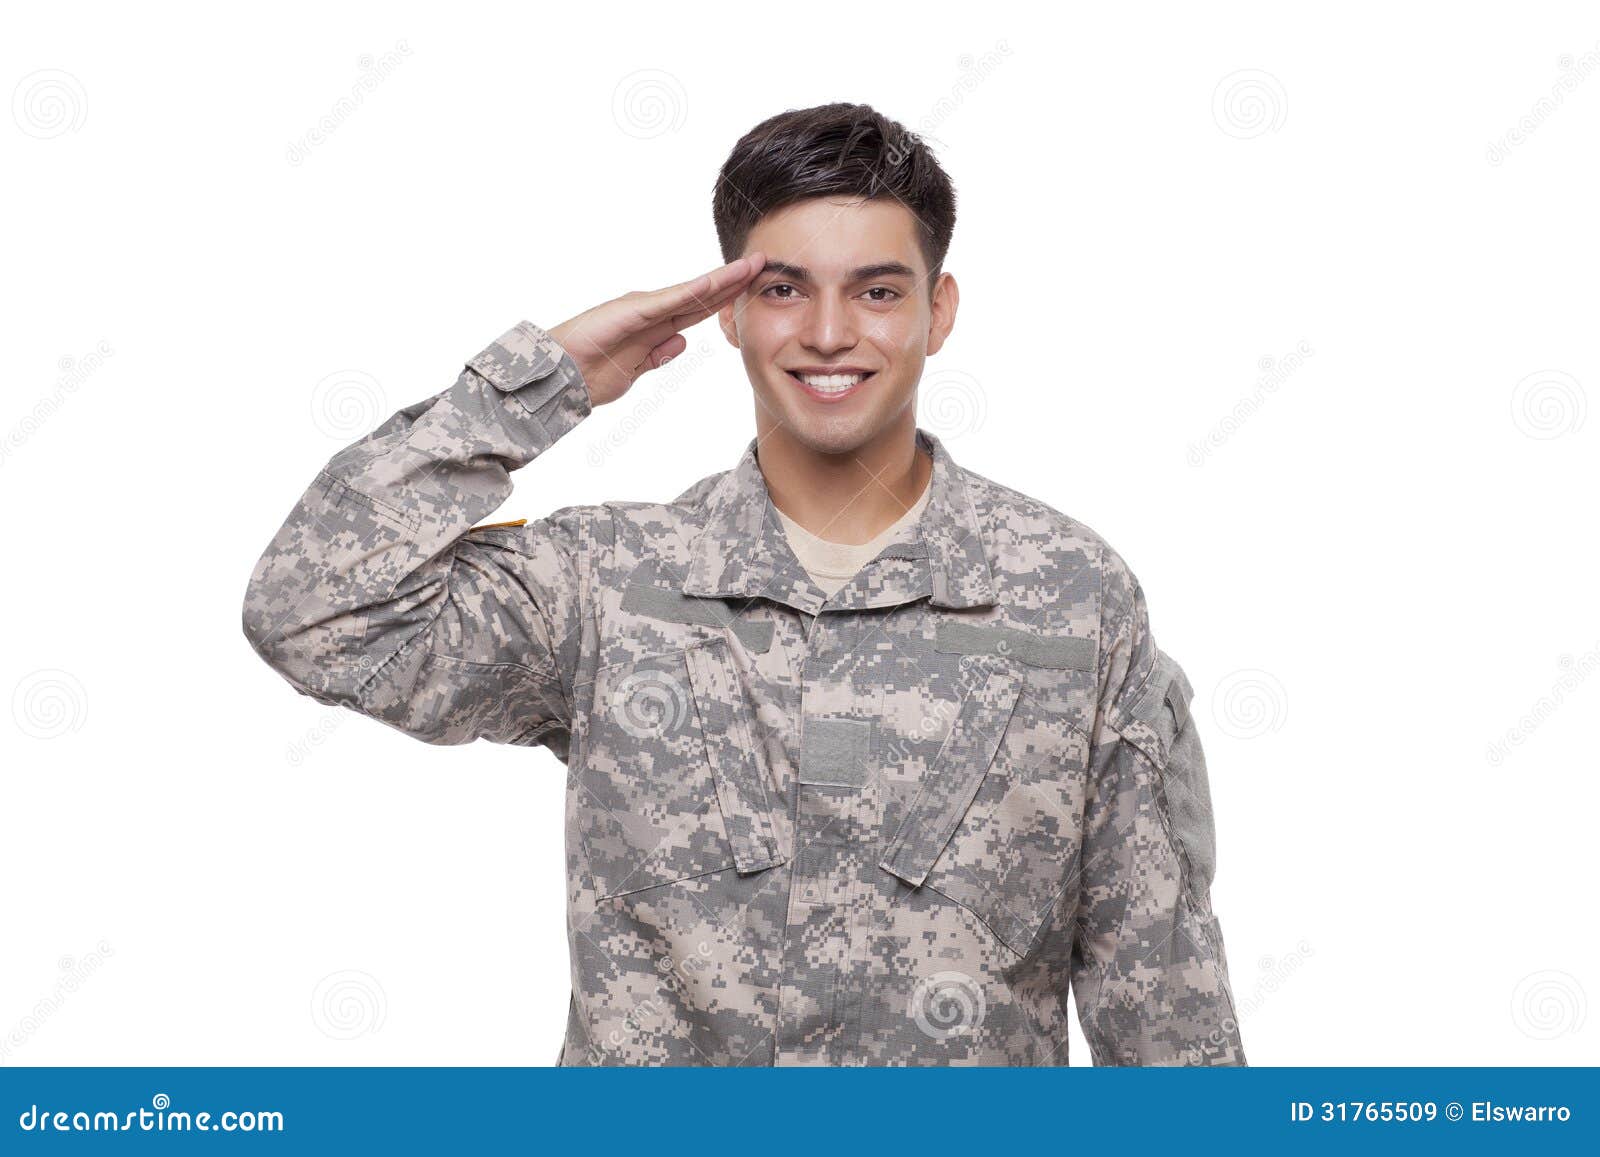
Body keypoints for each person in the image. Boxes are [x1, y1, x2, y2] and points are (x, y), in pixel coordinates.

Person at [241, 102, 1246, 1066]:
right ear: (730, 313)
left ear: (938, 312)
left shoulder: (1069, 596)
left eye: (878, 291)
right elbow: (315, 612)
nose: (827, 332)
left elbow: (1159, 994)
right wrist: (544, 381)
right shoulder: (608, 584)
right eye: (783, 289)